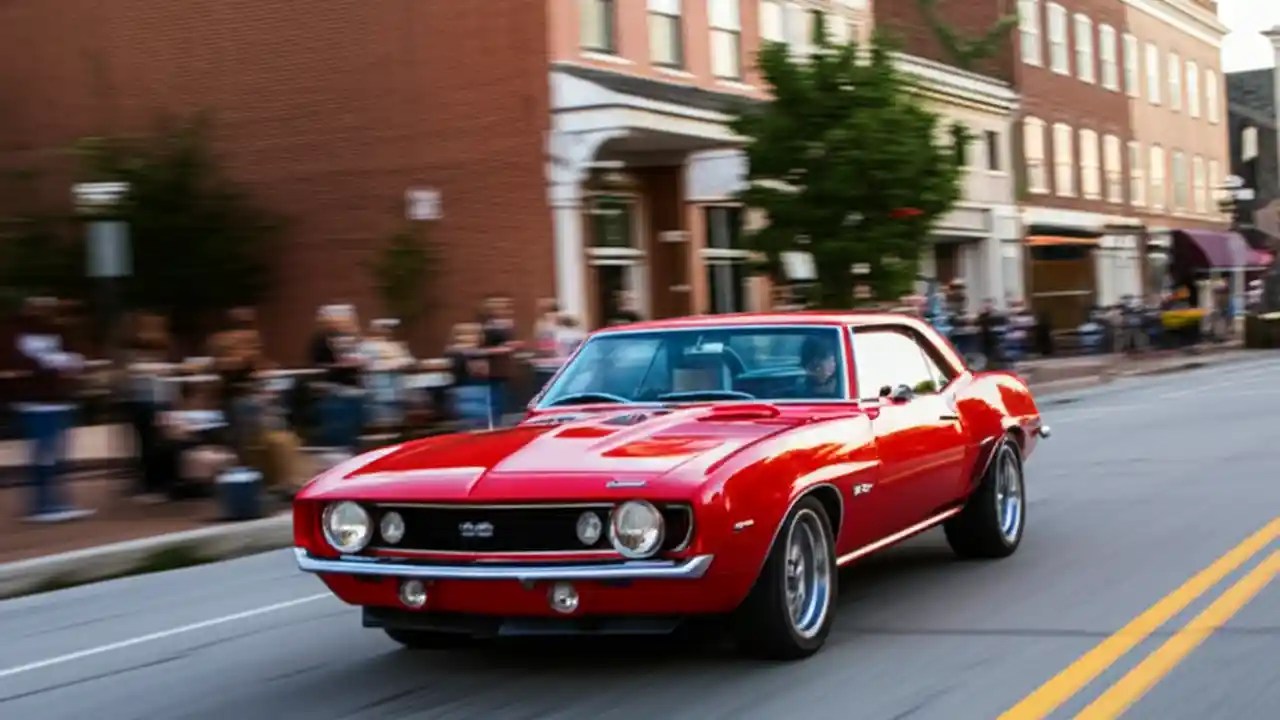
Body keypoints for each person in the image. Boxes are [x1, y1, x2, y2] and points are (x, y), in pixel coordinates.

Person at [9, 297, 93, 521]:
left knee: (58, 454)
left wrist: (66, 365)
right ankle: (42, 504)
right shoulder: (16, 333)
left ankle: (58, 501)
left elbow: (76, 359)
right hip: (35, 403)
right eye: (40, 308)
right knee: (44, 454)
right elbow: (19, 364)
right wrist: (51, 366)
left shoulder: (60, 332)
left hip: (60, 400)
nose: (46, 312)